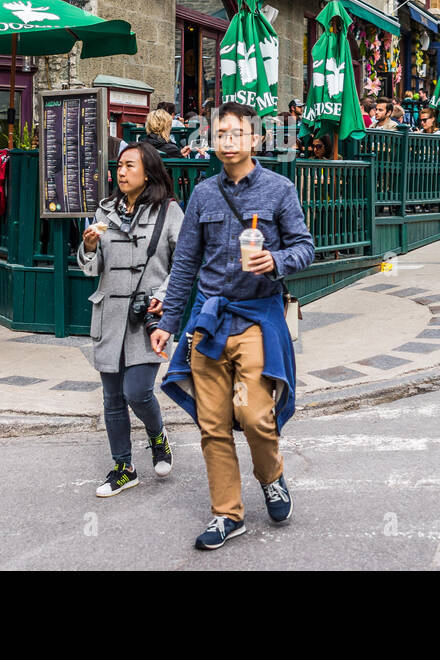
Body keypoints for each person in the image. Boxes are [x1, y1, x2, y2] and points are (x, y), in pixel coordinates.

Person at [153, 102, 314, 551]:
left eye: (235, 133)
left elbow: (305, 247)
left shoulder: (280, 190)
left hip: (258, 319)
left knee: (255, 415)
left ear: (255, 139)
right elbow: (184, 264)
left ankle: (272, 476)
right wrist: (168, 321)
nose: (226, 141)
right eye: (219, 133)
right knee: (213, 423)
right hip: (208, 321)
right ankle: (227, 514)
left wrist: (276, 260)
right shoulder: (203, 194)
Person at [78, 141, 183, 498]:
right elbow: (92, 268)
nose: (122, 172)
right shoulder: (104, 212)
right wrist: (89, 247)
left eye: (130, 166)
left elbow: (183, 263)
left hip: (147, 318)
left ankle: (158, 436)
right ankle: (123, 467)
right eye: (119, 166)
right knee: (111, 397)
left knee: (136, 391)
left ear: (148, 171)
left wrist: (163, 296)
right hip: (109, 315)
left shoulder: (169, 211)